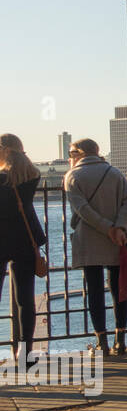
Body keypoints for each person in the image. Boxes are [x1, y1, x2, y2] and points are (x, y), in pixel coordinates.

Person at [64, 139, 127, 355]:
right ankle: (120, 339)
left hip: (90, 237)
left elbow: (82, 209)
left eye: (71, 152)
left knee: (94, 290)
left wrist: (106, 228)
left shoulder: (72, 176)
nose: (69, 156)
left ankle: (101, 342)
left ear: (79, 153)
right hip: (117, 238)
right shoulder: (114, 173)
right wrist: (119, 227)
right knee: (119, 288)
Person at [0, 134, 45, 367]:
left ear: (3, 150)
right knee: (25, 299)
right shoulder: (31, 175)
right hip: (25, 241)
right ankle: (25, 353)